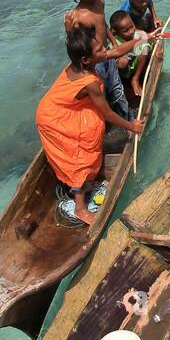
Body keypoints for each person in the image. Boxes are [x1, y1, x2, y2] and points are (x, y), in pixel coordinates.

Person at [36, 25, 146, 225]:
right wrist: (132, 126)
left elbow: (116, 51)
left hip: (61, 109)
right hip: (53, 117)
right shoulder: (89, 82)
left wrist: (142, 39)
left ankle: (84, 181)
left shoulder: (82, 64)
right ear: (86, 59)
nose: (105, 50)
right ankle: (80, 208)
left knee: (93, 129)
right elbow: (108, 114)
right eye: (100, 50)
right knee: (84, 151)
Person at [63, 0, 157, 120]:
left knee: (116, 88)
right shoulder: (77, 17)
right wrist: (69, 31)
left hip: (107, 53)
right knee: (101, 93)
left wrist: (114, 42)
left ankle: (127, 117)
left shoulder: (100, 3)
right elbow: (75, 45)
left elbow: (103, 25)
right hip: (93, 63)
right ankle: (106, 119)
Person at [109, 9, 154, 101]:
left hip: (136, 67)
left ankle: (135, 78)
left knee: (145, 47)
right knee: (122, 62)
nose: (131, 31)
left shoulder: (138, 34)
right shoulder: (114, 42)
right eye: (126, 30)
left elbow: (151, 43)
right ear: (116, 32)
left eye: (132, 26)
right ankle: (123, 83)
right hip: (124, 71)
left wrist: (157, 53)